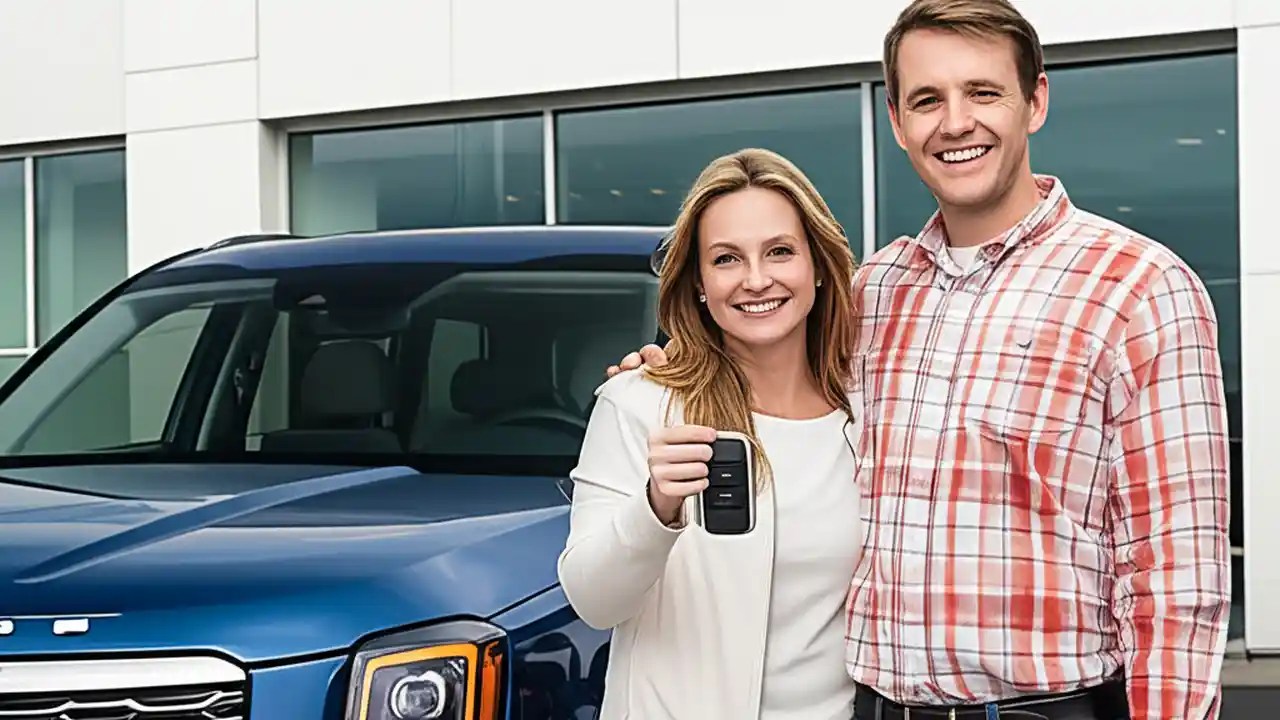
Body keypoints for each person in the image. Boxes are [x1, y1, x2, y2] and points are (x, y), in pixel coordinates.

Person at [606, 1, 1232, 718]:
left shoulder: (1140, 290)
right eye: (927, 100)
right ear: (899, 124)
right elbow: (768, 380)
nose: (955, 122)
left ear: (1036, 101)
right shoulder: (874, 293)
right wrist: (666, 375)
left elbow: (1175, 575)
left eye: (983, 92)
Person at [557, 147, 865, 720]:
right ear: (698, 282)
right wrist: (656, 509)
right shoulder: (641, 402)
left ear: (818, 266)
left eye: (779, 252)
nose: (756, 280)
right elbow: (592, 600)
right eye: (726, 259)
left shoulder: (867, 414)